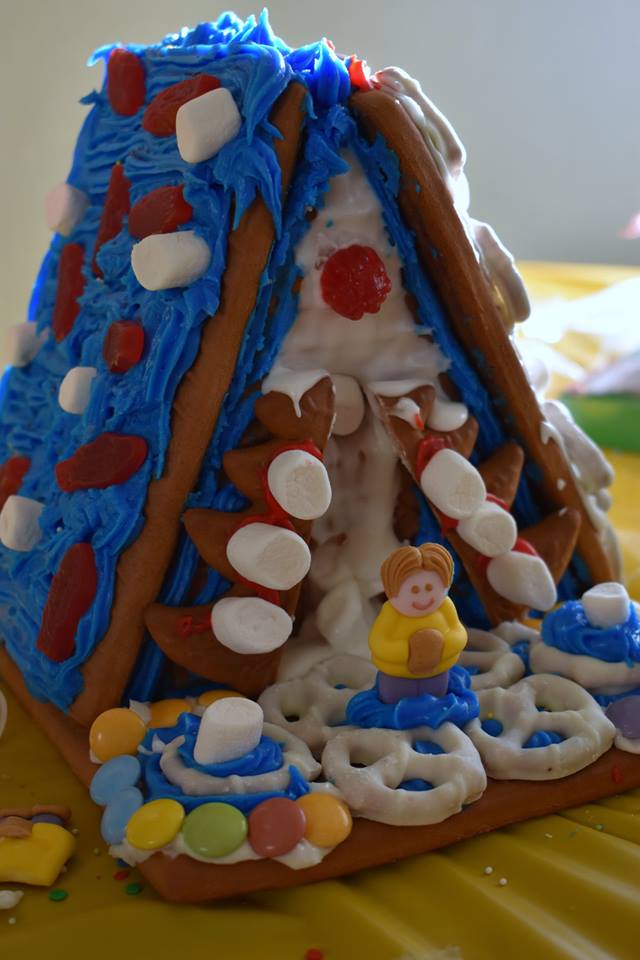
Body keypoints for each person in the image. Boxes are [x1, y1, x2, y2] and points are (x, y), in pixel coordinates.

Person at [368, 542, 467, 704]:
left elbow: (459, 632)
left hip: (437, 674)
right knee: (394, 704)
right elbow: (377, 641)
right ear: (392, 589)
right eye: (414, 590)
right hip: (398, 677)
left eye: (429, 588)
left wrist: (441, 644)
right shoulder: (391, 613)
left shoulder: (445, 606)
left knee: (435, 702)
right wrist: (409, 650)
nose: (423, 598)